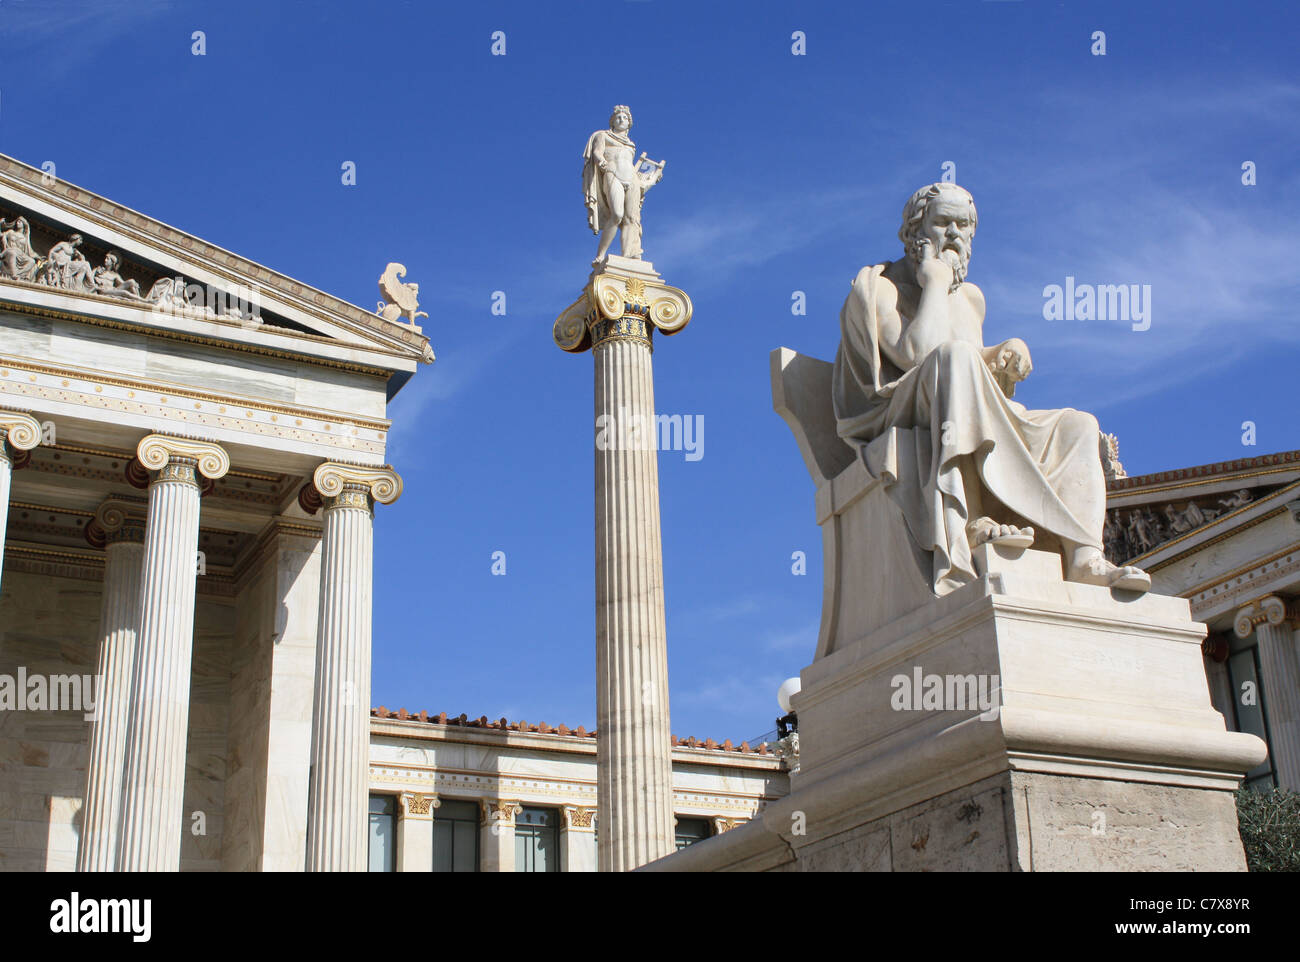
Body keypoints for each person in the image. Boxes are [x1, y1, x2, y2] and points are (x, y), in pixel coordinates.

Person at [832, 183, 1149, 595]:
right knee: (955, 359)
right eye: (942, 222)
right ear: (915, 231)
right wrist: (933, 283)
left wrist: (1003, 352)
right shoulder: (878, 287)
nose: (954, 235)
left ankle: (1085, 555)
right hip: (895, 409)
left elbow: (971, 365)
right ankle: (972, 522)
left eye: (963, 225)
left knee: (1077, 425)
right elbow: (920, 354)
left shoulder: (972, 298)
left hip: (950, 393)